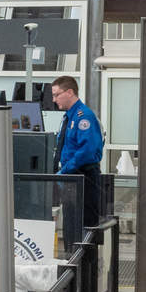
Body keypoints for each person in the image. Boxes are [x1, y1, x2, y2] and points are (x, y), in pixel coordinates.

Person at [52, 74, 104, 229]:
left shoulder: (83, 116)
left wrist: (65, 171)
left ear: (69, 92)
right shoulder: (68, 116)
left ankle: (83, 254)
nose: (54, 100)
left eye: (56, 95)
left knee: (82, 225)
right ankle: (71, 252)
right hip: (72, 177)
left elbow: (88, 150)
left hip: (83, 176)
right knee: (71, 223)